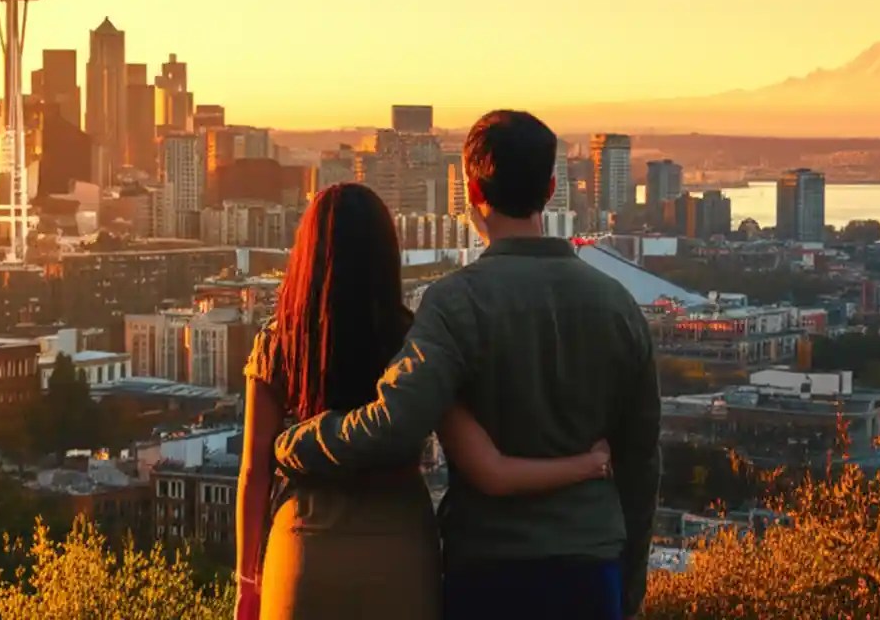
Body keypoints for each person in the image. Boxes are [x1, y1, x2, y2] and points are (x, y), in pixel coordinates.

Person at [273, 111, 662, 620]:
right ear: (549, 190)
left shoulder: (454, 303)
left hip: (489, 569)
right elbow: (641, 463)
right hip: (591, 568)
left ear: (472, 190)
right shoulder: (618, 306)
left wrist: (300, 441)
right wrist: (628, 586)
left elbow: (394, 424)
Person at [235, 182, 614, 620]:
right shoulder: (416, 343)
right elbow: (487, 467)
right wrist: (588, 464)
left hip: (304, 551)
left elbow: (252, 473)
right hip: (400, 554)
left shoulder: (278, 343)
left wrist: (247, 580)